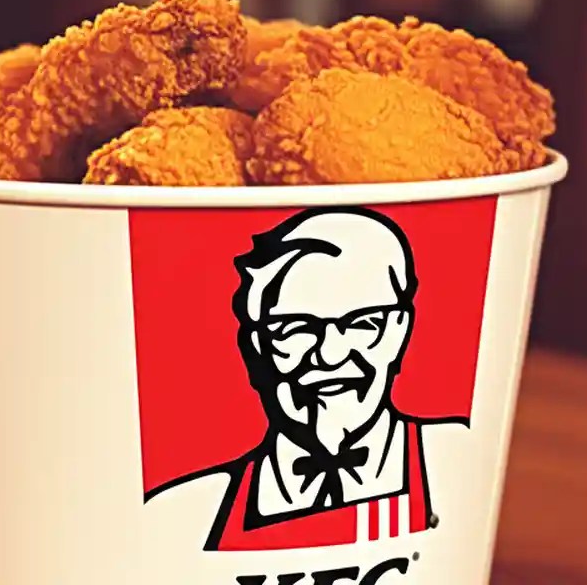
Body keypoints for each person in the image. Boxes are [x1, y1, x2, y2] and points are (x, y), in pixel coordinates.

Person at [147, 207, 466, 551]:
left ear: (400, 332)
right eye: (296, 329)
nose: (330, 355)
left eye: (363, 324)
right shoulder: (188, 512)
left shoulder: (455, 460)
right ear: (257, 348)